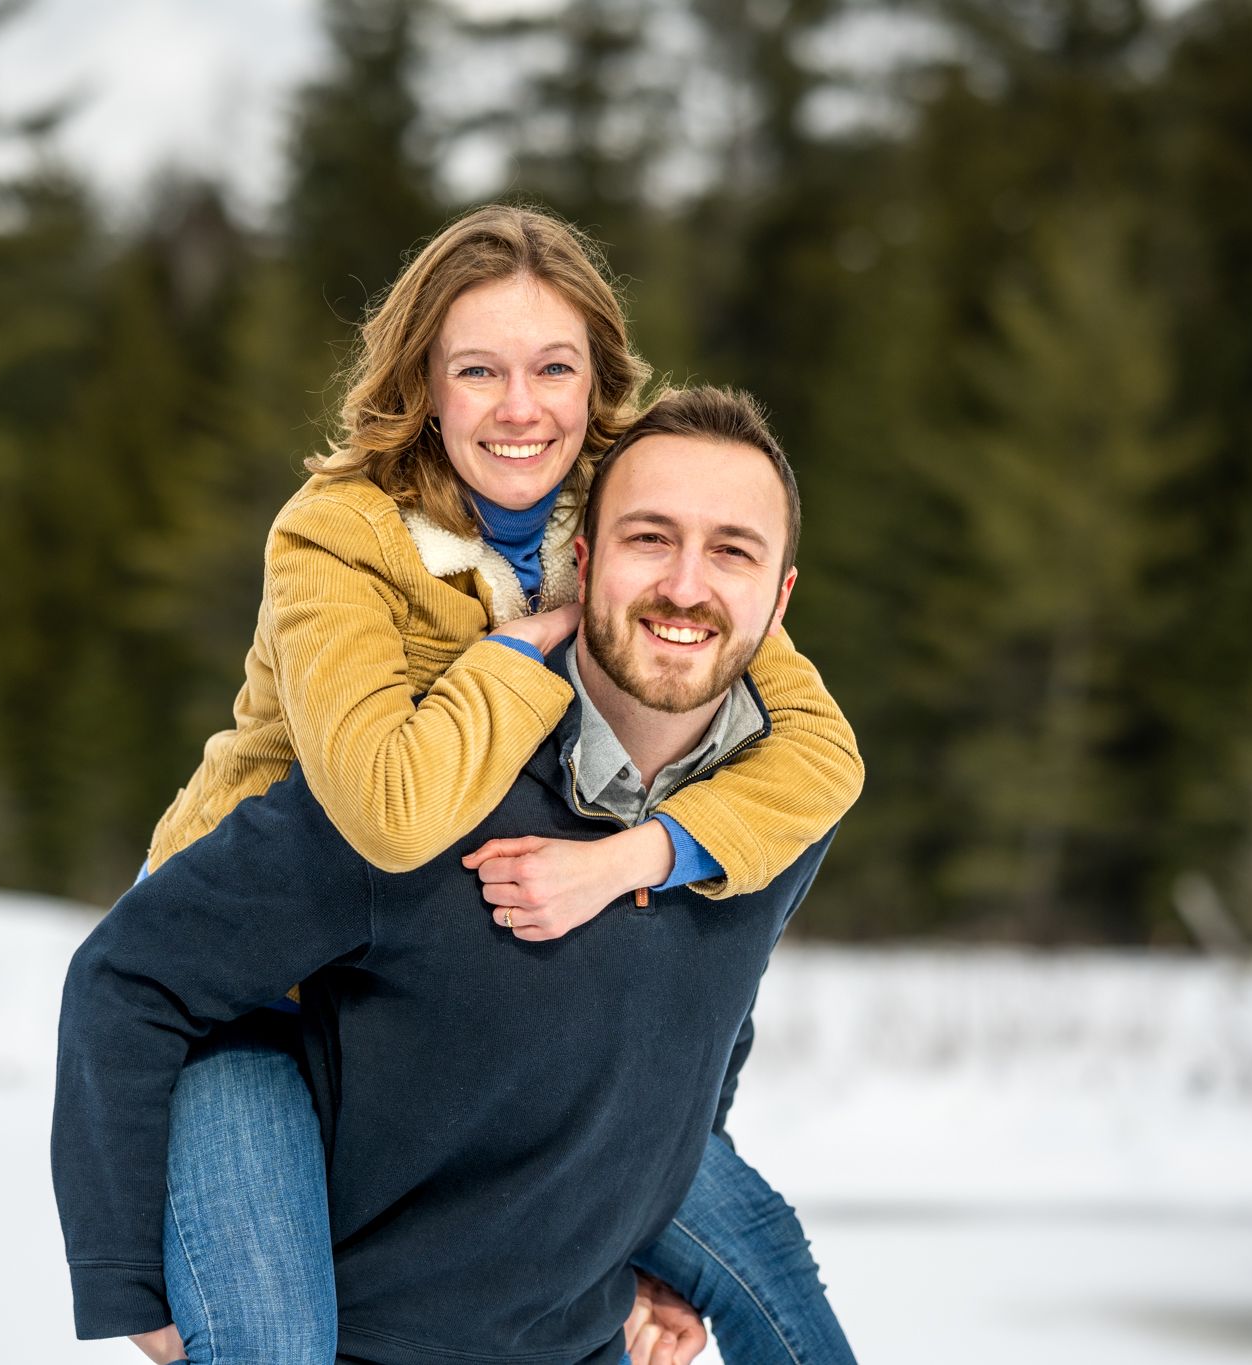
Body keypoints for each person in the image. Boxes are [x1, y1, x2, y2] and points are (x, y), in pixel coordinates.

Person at [98, 205, 863, 1362]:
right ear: (426, 383)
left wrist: (633, 858)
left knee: (767, 1272)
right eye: (479, 369)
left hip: (465, 990)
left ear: (597, 380)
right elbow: (391, 811)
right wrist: (522, 652)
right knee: (271, 1339)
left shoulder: (638, 522)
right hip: (270, 982)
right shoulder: (340, 536)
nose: (521, 408)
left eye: (554, 367)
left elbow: (818, 750)